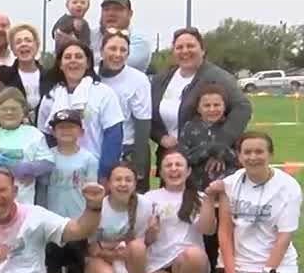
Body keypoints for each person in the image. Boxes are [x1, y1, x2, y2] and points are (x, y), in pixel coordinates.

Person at [208, 133, 300, 273]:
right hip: (237, 264)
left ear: (270, 155)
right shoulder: (230, 184)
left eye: (259, 152)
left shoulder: (289, 187)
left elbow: (284, 237)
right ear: (239, 157)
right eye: (247, 152)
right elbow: (224, 232)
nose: (253, 157)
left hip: (275, 266)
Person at [152, 27, 250, 179]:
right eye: (179, 47)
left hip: (208, 165)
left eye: (190, 46)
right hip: (172, 161)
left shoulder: (217, 77)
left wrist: (220, 145)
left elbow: (242, 108)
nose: (185, 51)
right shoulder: (161, 79)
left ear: (203, 50)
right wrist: (160, 137)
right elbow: (148, 114)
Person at [140, 150, 217, 273]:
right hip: (159, 264)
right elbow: (143, 241)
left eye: (178, 165)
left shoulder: (200, 198)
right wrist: (151, 233)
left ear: (188, 171)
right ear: (160, 172)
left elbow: (208, 230)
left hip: (188, 261)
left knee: (194, 254)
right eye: (168, 165)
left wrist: (209, 201)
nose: (173, 169)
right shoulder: (149, 198)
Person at [34, 40, 125, 179]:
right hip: (58, 172)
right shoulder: (50, 97)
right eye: (68, 57)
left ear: (88, 63)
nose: (73, 61)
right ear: (60, 64)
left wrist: (104, 175)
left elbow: (113, 136)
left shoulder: (104, 93)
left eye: (78, 56)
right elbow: (44, 136)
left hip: (94, 168)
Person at [43, 109, 99, 273]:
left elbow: (92, 189)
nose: (66, 131)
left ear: (81, 132)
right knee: (53, 257)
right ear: (53, 132)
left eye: (71, 127)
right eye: (61, 128)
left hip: (77, 215)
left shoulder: (88, 159)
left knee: (77, 257)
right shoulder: (47, 157)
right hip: (53, 215)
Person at [83, 163, 151, 273]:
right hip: (101, 257)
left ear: (135, 184)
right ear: (108, 183)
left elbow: (141, 242)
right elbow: (92, 248)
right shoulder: (99, 207)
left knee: (138, 248)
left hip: (127, 255)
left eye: (128, 180)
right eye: (118, 179)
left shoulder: (144, 205)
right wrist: (113, 254)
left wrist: (110, 246)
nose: (123, 184)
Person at [98, 31, 153, 187]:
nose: (117, 54)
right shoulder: (91, 75)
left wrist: (139, 164)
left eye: (123, 50)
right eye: (112, 49)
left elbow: (143, 123)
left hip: (126, 147)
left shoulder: (138, 79)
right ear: (102, 51)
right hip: (96, 146)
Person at [179, 83, 239, 192]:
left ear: (224, 106)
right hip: (197, 189)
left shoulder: (232, 128)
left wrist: (221, 152)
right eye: (207, 105)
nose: (212, 109)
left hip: (229, 188)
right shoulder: (189, 128)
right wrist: (209, 149)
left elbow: (241, 159)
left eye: (216, 105)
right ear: (198, 108)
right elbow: (184, 158)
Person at [90, 0, 152, 72]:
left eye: (117, 9)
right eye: (106, 9)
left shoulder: (140, 42)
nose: (111, 13)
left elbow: (115, 62)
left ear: (130, 14)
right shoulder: (90, 36)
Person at [8, 24, 47, 112]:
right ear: (13, 50)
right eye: (18, 42)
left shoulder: (50, 76)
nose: (23, 44)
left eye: (28, 40)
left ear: (37, 46)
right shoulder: (3, 76)